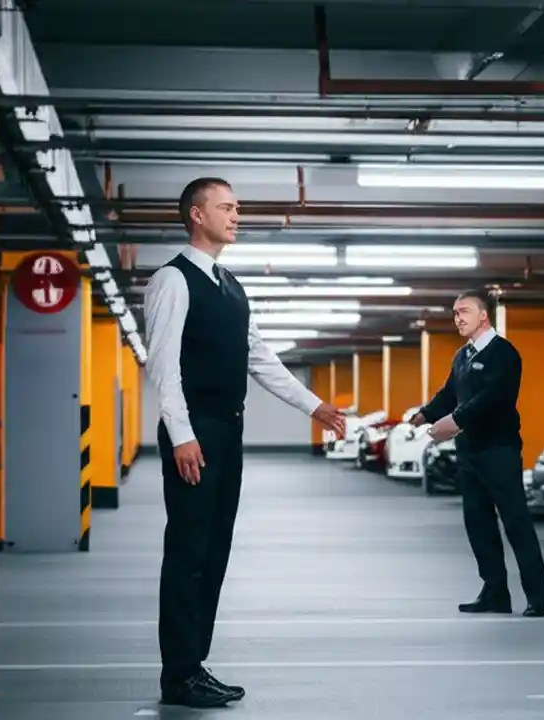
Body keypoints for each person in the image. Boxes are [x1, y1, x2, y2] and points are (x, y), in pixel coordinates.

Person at [144, 177, 346, 708]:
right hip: (195, 434)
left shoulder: (231, 285)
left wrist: (312, 405)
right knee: (188, 551)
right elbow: (163, 365)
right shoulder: (173, 279)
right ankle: (178, 675)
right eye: (226, 207)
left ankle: (194, 664)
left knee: (214, 550)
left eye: (237, 208)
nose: (236, 216)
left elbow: (259, 357)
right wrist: (182, 435)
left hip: (228, 432)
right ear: (196, 214)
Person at [411, 289, 544, 617]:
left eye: (464, 311)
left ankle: (538, 597)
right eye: (455, 313)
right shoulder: (463, 356)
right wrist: (425, 414)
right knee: (478, 524)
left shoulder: (504, 353)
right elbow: (450, 393)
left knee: (516, 523)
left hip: (499, 450)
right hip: (470, 452)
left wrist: (455, 421)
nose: (457, 318)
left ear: (483, 315)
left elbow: (492, 398)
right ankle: (495, 593)